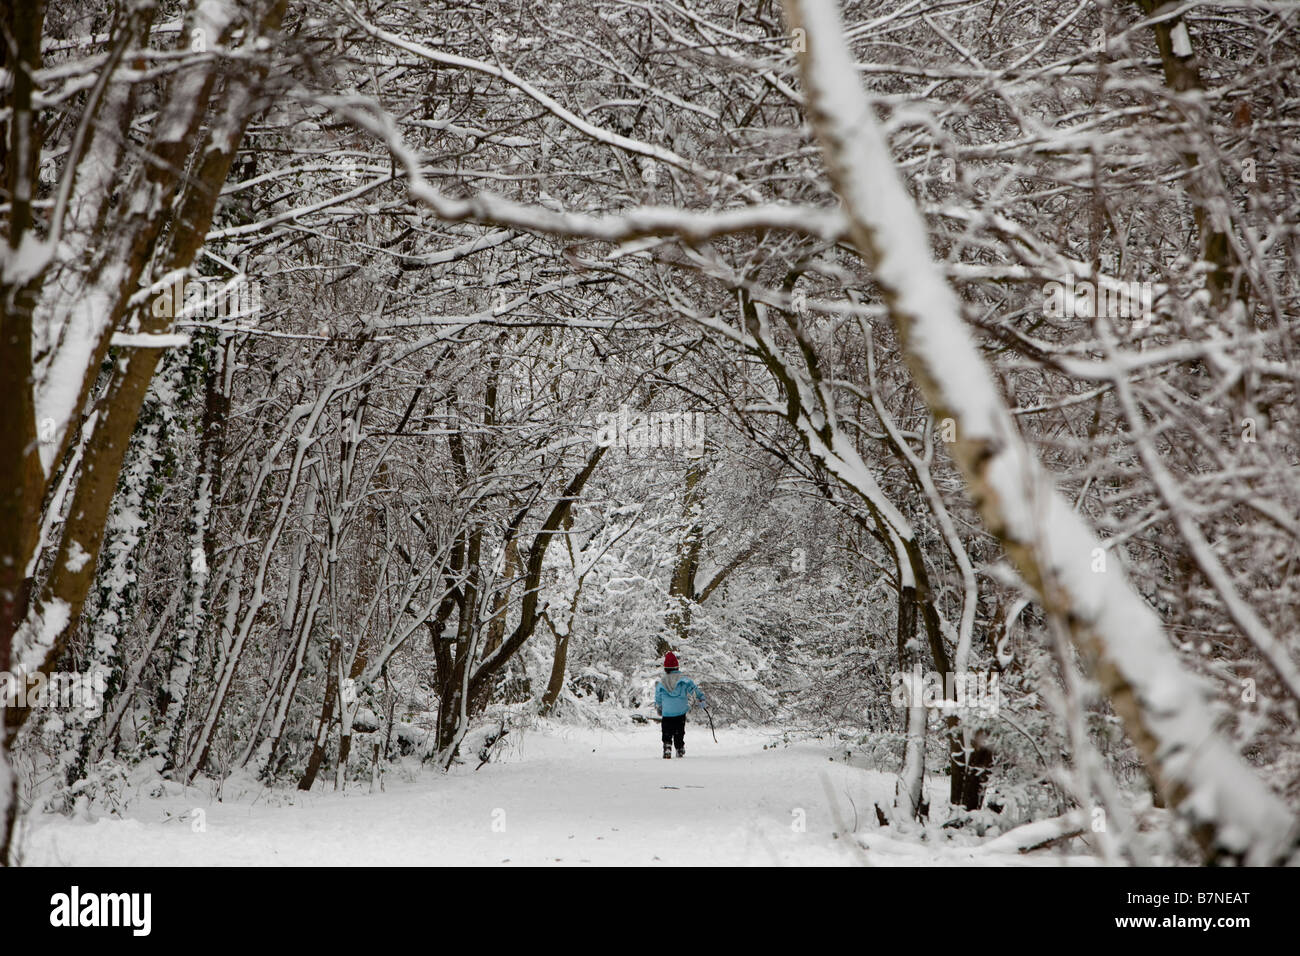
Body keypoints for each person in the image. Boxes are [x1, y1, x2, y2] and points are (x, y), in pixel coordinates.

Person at [655, 651, 705, 759]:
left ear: (666, 668)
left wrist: (659, 707)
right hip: (680, 711)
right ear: (677, 666)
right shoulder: (684, 681)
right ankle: (679, 748)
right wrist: (700, 698)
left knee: (667, 731)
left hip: (667, 712)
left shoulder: (661, 683)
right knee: (679, 731)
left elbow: (658, 697)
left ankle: (667, 746)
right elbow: (694, 690)